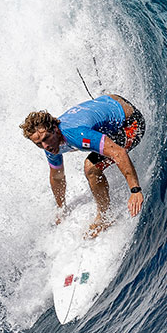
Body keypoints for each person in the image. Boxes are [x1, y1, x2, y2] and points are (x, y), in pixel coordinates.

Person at [20, 94, 146, 237]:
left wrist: (135, 190)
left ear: (55, 129)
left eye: (46, 139)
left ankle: (104, 218)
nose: (45, 146)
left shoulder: (77, 134)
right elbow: (57, 176)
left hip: (131, 123)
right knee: (96, 147)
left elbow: (119, 153)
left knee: (91, 168)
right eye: (38, 144)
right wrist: (61, 208)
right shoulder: (50, 145)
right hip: (110, 100)